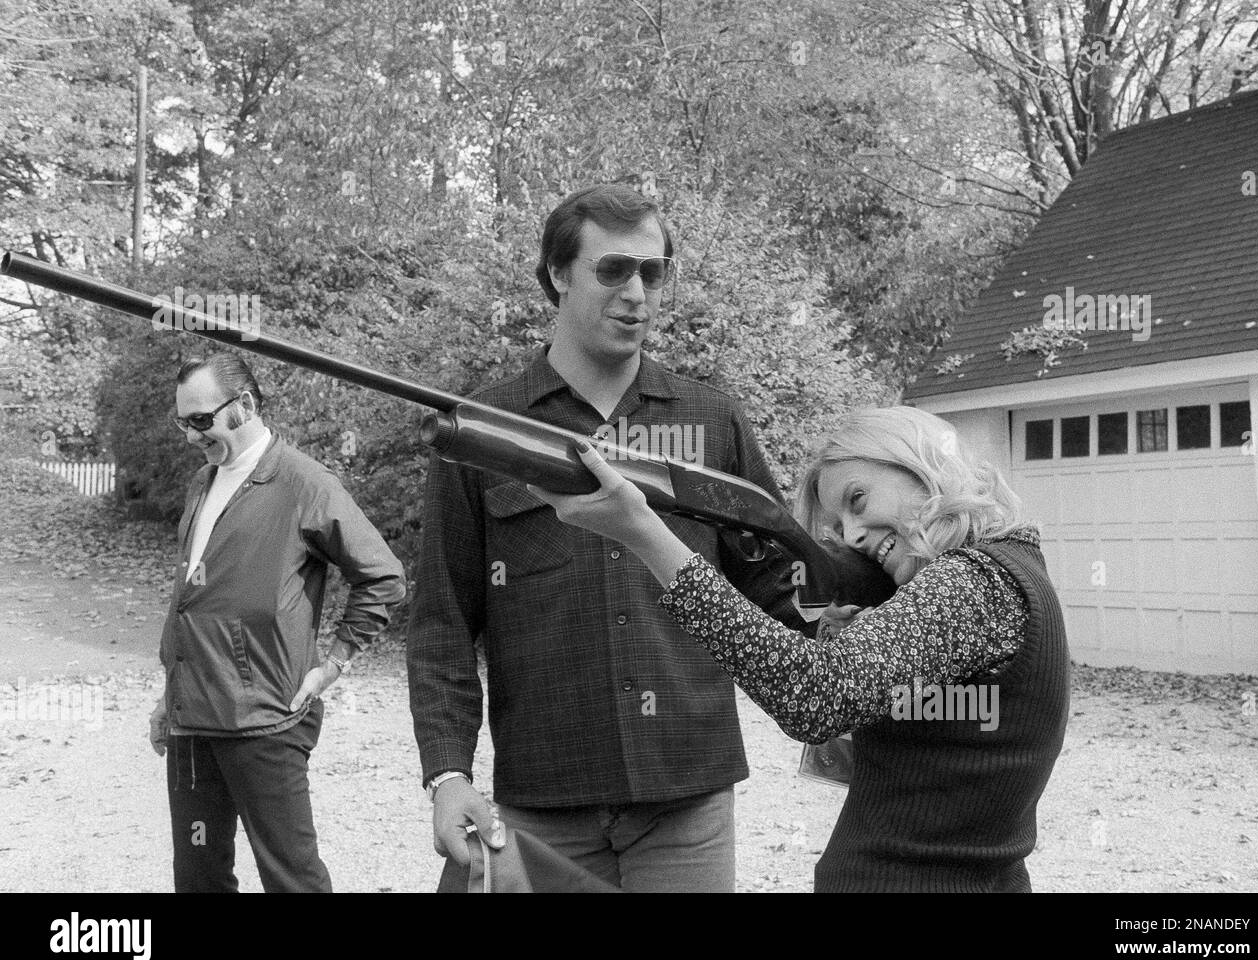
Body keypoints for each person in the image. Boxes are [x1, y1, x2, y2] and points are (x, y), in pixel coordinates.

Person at [407, 183, 892, 892]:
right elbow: (442, 626)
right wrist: (447, 776)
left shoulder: (712, 419)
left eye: (652, 272)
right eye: (612, 270)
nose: (636, 292)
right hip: (544, 796)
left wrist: (862, 647)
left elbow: (779, 587)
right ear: (557, 274)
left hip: (688, 794)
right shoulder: (486, 431)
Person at [530, 405, 1071, 892]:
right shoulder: (1006, 572)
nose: (854, 535)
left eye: (857, 500)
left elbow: (816, 696)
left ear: (919, 464)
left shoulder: (974, 582)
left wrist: (646, 534)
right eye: (837, 526)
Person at [148, 351, 407, 892]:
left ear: (243, 405)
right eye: (183, 423)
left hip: (264, 720)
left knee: (292, 879)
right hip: (192, 720)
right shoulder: (203, 481)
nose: (193, 436)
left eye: (201, 420)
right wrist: (166, 698)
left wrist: (333, 664)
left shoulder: (305, 483)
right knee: (197, 880)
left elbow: (382, 577)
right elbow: (192, 596)